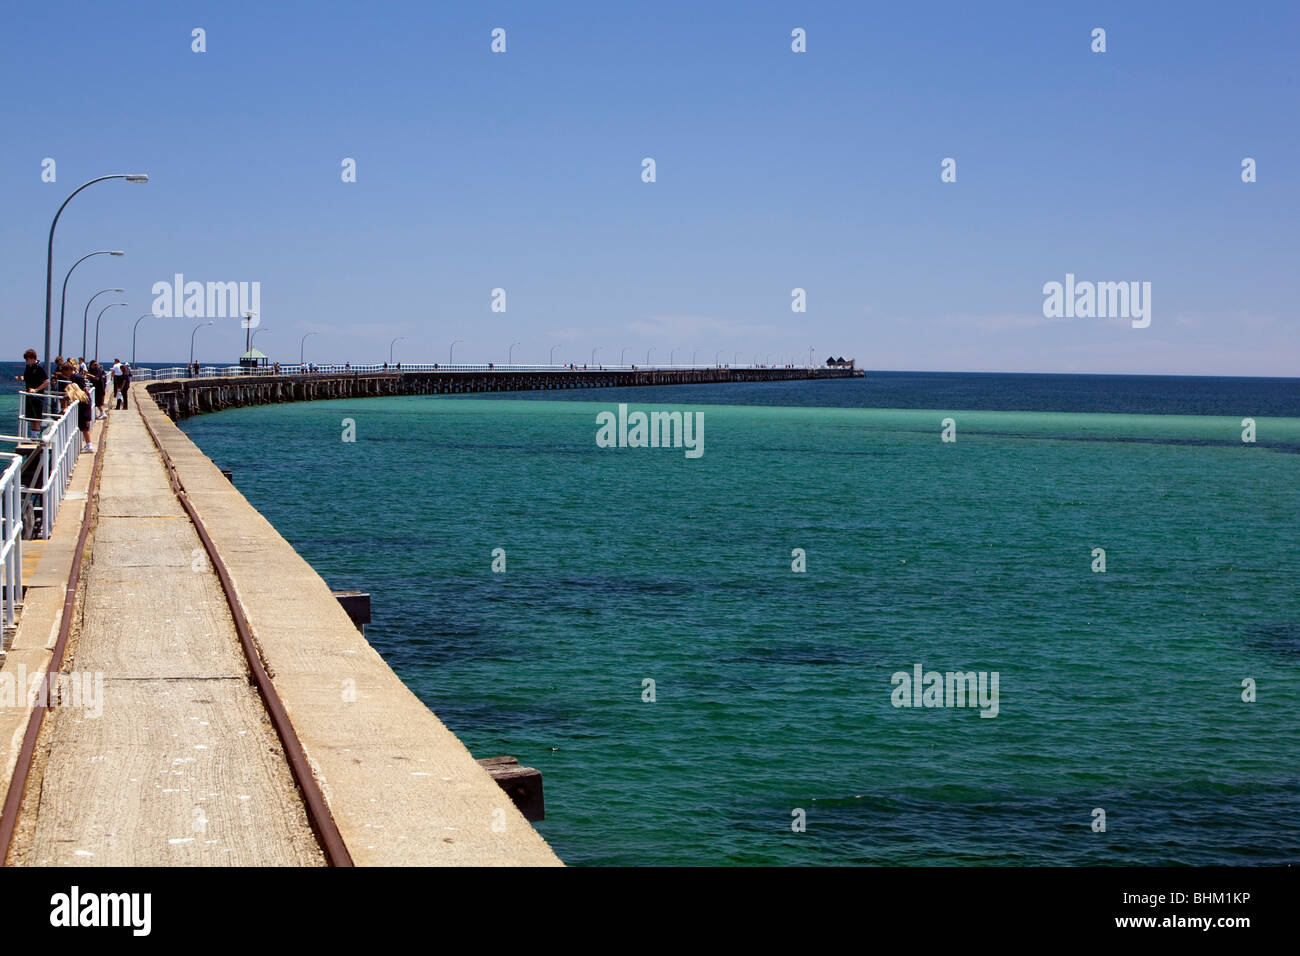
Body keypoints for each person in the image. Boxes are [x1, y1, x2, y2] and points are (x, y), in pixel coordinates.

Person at [14, 349, 50, 438]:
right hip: (29, 396)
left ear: (33, 358)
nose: (26, 361)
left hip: (37, 396)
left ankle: (36, 437)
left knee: (36, 418)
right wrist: (20, 378)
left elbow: (47, 381)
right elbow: (26, 378)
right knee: (31, 417)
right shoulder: (28, 367)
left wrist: (36, 390)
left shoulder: (40, 367)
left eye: (27, 359)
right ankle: (33, 436)